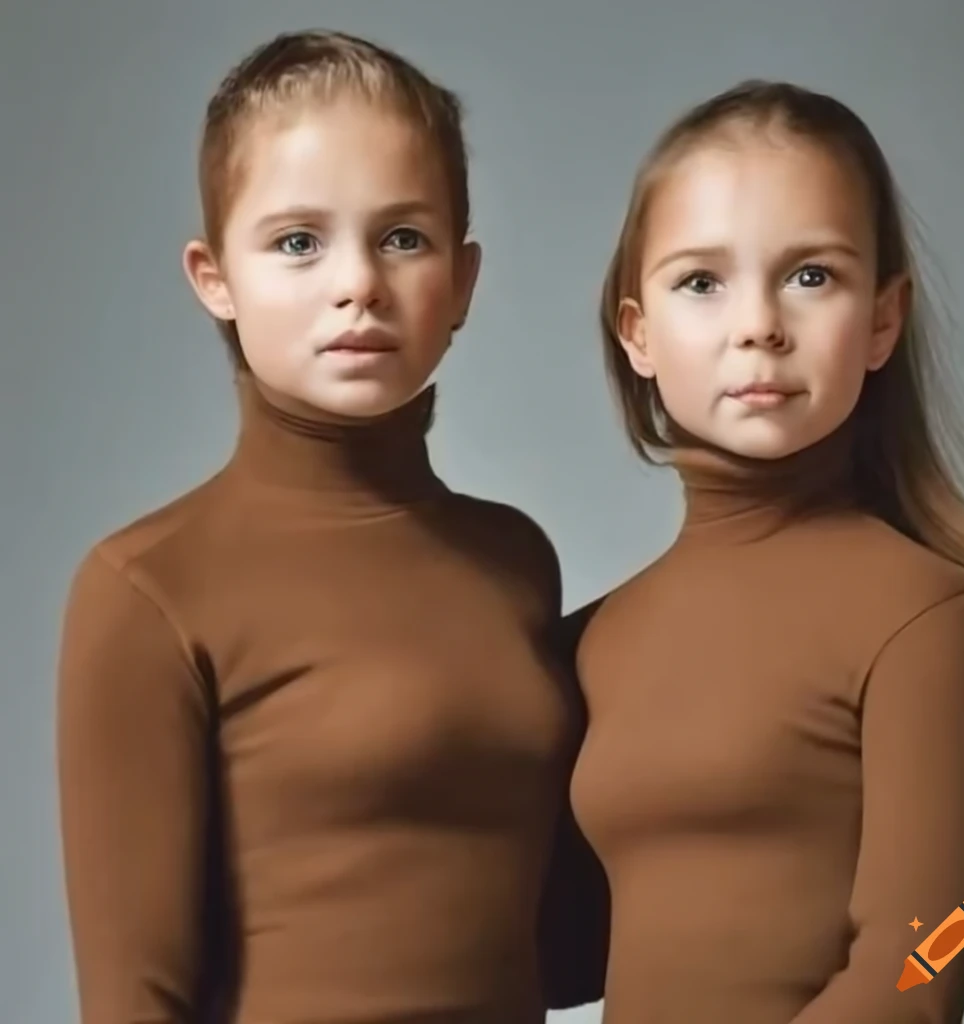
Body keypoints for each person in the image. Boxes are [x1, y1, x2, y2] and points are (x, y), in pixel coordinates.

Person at [56, 29, 606, 1024]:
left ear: (464, 282)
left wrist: (907, 946)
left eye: (403, 237)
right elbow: (134, 1000)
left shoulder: (515, 561)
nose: (357, 282)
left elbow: (547, 936)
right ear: (214, 275)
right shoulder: (146, 588)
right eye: (297, 241)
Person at [569, 79, 964, 1023]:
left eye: (810, 275)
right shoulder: (596, 639)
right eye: (703, 281)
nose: (759, 325)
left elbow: (951, 933)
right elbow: (536, 953)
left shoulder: (921, 616)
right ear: (638, 333)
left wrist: (930, 971)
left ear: (883, 320)